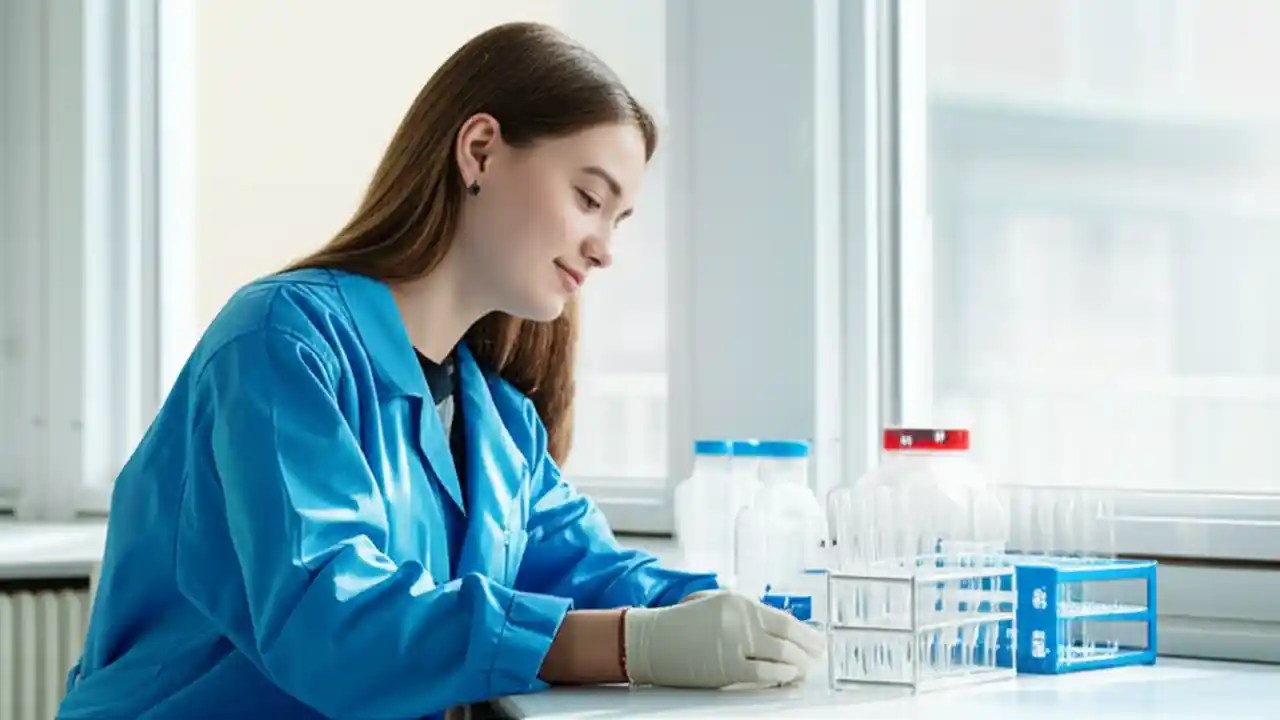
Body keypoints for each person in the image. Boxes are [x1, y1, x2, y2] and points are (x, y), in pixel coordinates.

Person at [57, 22, 822, 720]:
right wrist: (633, 645)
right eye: (589, 198)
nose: (605, 249)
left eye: (618, 221)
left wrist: (775, 618)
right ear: (480, 151)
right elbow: (332, 622)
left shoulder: (501, 425)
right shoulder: (281, 341)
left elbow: (596, 577)